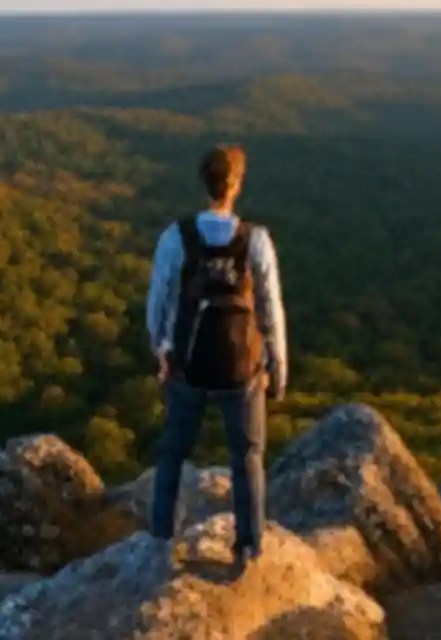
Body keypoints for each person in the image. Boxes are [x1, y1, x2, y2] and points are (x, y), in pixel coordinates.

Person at [145, 144, 287, 570]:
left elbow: (159, 300)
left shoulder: (177, 236)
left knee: (173, 452)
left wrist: (162, 350)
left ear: (204, 182)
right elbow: (270, 308)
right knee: (246, 457)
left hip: (188, 365)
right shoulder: (255, 241)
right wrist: (277, 367)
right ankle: (248, 547)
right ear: (236, 185)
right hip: (242, 369)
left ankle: (160, 541)